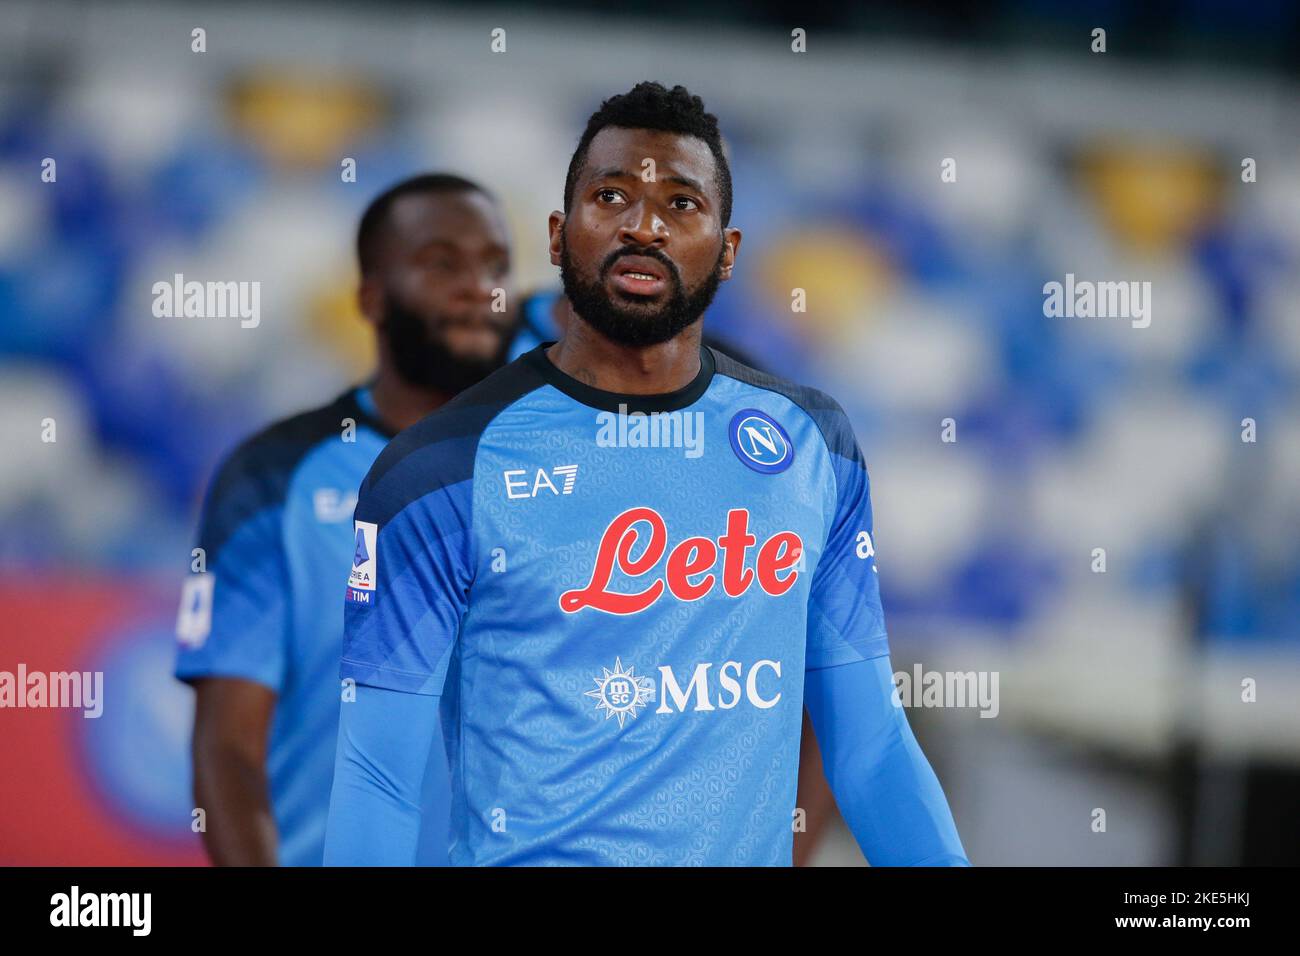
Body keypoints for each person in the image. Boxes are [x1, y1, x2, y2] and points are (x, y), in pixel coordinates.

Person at [325, 82, 969, 866]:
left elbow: (869, 748)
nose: (644, 225)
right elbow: (379, 779)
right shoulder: (436, 475)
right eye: (612, 196)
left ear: (728, 252)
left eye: (681, 203)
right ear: (560, 237)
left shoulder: (812, 445)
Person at [175, 173, 515, 865]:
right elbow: (227, 746)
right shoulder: (273, 475)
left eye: (495, 266)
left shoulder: (563, 464)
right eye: (442, 263)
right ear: (371, 297)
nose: (479, 287)